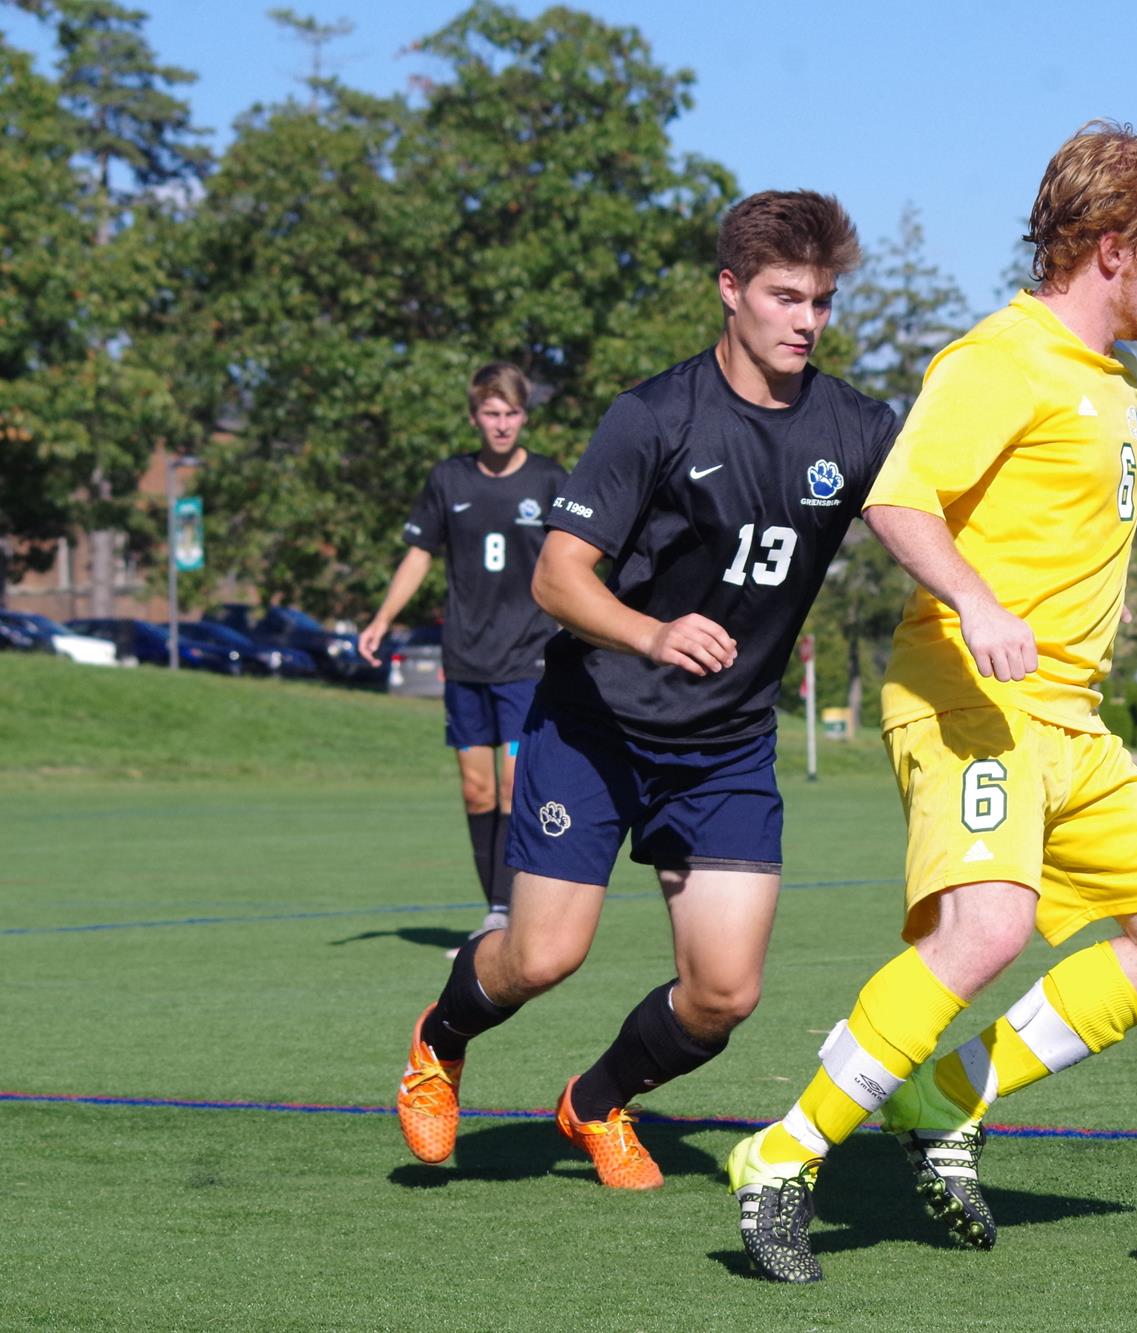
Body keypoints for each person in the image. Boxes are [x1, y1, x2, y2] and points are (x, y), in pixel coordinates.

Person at [727, 121, 1137, 1284]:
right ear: (1110, 246)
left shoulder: (1103, 376)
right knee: (989, 928)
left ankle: (942, 1096)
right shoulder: (1001, 356)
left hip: (1068, 719)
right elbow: (901, 498)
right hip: (967, 696)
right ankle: (782, 1155)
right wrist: (976, 602)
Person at [393, 191, 897, 1191]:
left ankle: (594, 1100)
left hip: (724, 745)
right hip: (595, 727)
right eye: (784, 296)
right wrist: (651, 630)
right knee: (539, 959)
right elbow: (557, 575)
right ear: (729, 290)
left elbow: (931, 510)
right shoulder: (653, 415)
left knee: (724, 993)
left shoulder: (854, 427)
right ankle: (439, 1037)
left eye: (823, 302)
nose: (805, 320)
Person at [359, 363, 567, 952]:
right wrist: (382, 618)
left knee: (511, 786)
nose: (501, 425)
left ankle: (512, 915)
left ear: (525, 416)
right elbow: (418, 555)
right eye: (491, 414)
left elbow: (580, 554)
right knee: (477, 792)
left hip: (528, 661)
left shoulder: (551, 481)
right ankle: (496, 914)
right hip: (466, 661)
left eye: (512, 414)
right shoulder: (448, 481)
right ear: (474, 416)